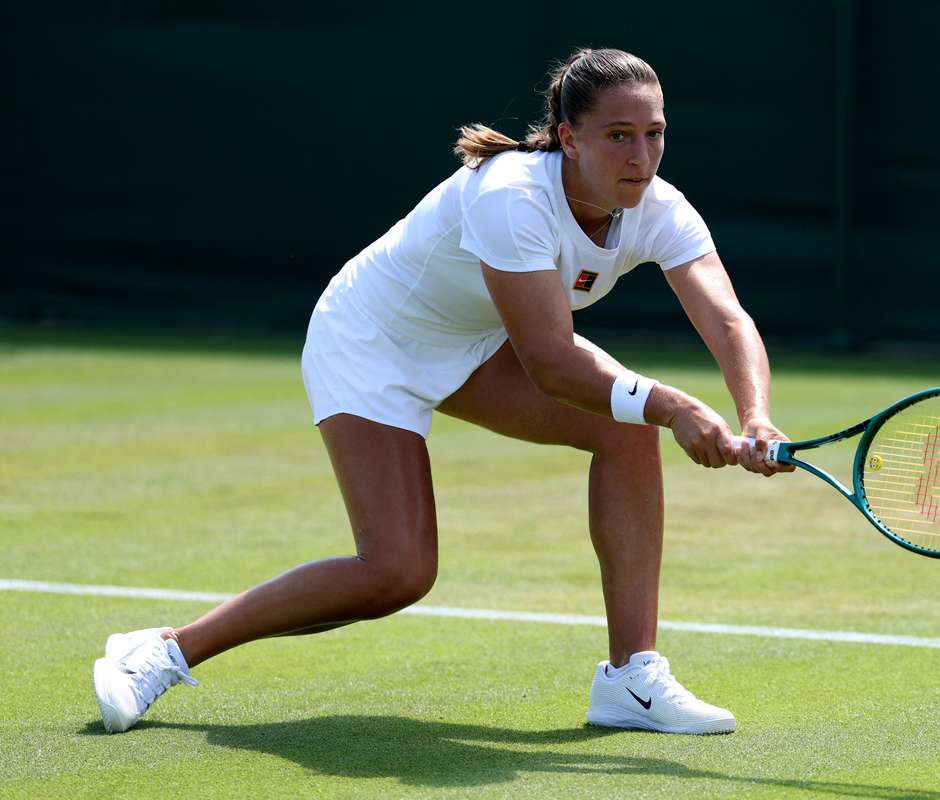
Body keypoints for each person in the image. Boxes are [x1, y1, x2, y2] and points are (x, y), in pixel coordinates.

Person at [92, 47, 793, 737]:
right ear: (570, 138)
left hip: (474, 343)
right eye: (618, 136)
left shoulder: (659, 207)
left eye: (654, 133)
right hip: (372, 340)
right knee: (396, 572)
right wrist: (674, 404)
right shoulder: (512, 194)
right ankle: (162, 649)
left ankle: (631, 677)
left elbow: (727, 317)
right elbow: (550, 361)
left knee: (624, 424)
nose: (640, 155)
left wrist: (755, 414)